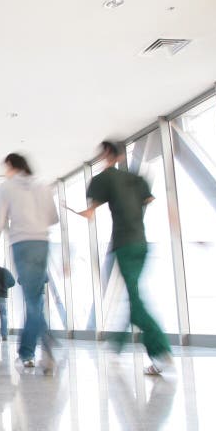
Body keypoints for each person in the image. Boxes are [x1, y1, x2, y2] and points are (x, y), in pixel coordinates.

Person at [76, 141, 172, 375]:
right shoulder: (136, 179)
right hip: (141, 244)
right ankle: (116, 344)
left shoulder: (104, 178)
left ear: (107, 154)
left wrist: (87, 212)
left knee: (136, 302)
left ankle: (161, 352)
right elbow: (148, 200)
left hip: (124, 245)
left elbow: (91, 211)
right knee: (133, 296)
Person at [0, 153, 59, 373]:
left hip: (22, 244)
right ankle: (41, 345)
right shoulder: (43, 186)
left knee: (32, 301)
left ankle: (33, 349)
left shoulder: (6, 188)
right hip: (42, 243)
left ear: (11, 166)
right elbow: (53, 218)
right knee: (35, 299)